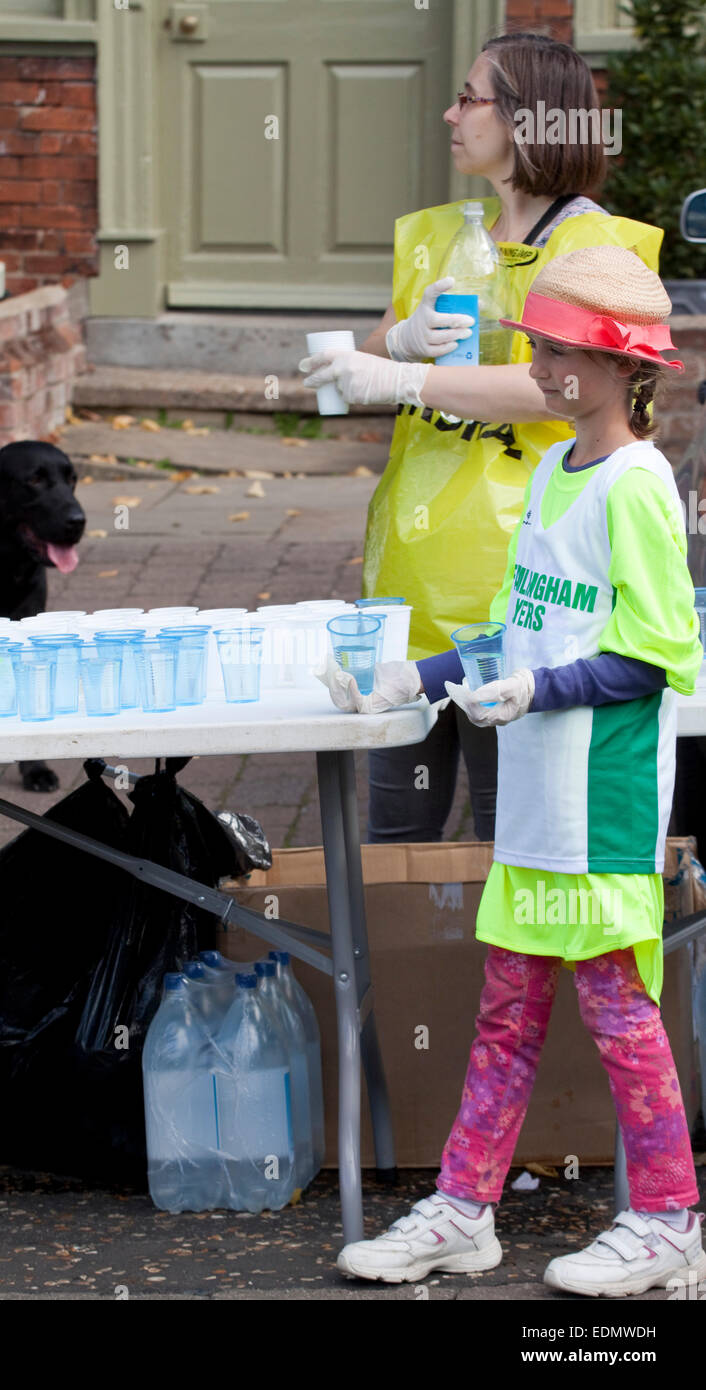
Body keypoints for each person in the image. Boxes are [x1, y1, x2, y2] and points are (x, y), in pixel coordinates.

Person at [317, 245, 705, 1297]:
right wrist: (419, 676)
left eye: (554, 347)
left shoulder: (636, 487)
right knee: (504, 1011)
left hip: (603, 804)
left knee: (619, 1014)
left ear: (616, 365)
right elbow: (515, 628)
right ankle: (463, 1207)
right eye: (534, 341)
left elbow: (657, 652)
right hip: (540, 804)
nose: (535, 360)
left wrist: (536, 694)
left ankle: (669, 1222)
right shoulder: (548, 468)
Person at [301, 31, 667, 847]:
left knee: (519, 835)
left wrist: (405, 378)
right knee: (397, 838)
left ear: (531, 119)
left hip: (527, 593)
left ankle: (506, 978)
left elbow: (559, 392)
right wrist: (386, 352)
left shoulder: (593, 249)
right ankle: (403, 978)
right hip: (414, 576)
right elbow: (345, 384)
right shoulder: (441, 238)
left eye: (470, 98)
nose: (449, 113)